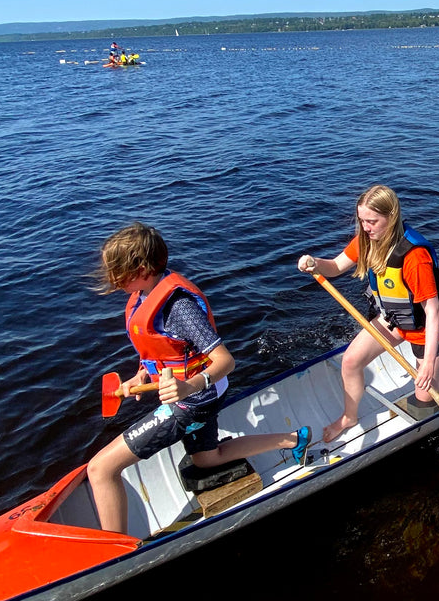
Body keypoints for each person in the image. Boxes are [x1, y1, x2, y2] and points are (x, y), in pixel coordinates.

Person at [88, 223, 311, 534]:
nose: (113, 281)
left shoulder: (179, 308)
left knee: (100, 469)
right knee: (207, 459)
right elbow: (165, 351)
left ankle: (115, 553)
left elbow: (226, 361)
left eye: (118, 273)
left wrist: (188, 387)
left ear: (142, 269)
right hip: (198, 394)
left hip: (194, 399)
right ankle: (295, 439)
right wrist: (140, 376)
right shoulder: (144, 295)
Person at [298, 185, 439, 442]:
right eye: (362, 220)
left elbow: (432, 312)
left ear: (391, 217)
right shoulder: (366, 241)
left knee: (425, 397)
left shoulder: (415, 257)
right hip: (393, 318)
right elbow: (336, 266)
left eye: (371, 221)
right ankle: (349, 416)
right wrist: (315, 263)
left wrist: (428, 363)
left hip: (425, 327)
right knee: (350, 361)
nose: (365, 228)